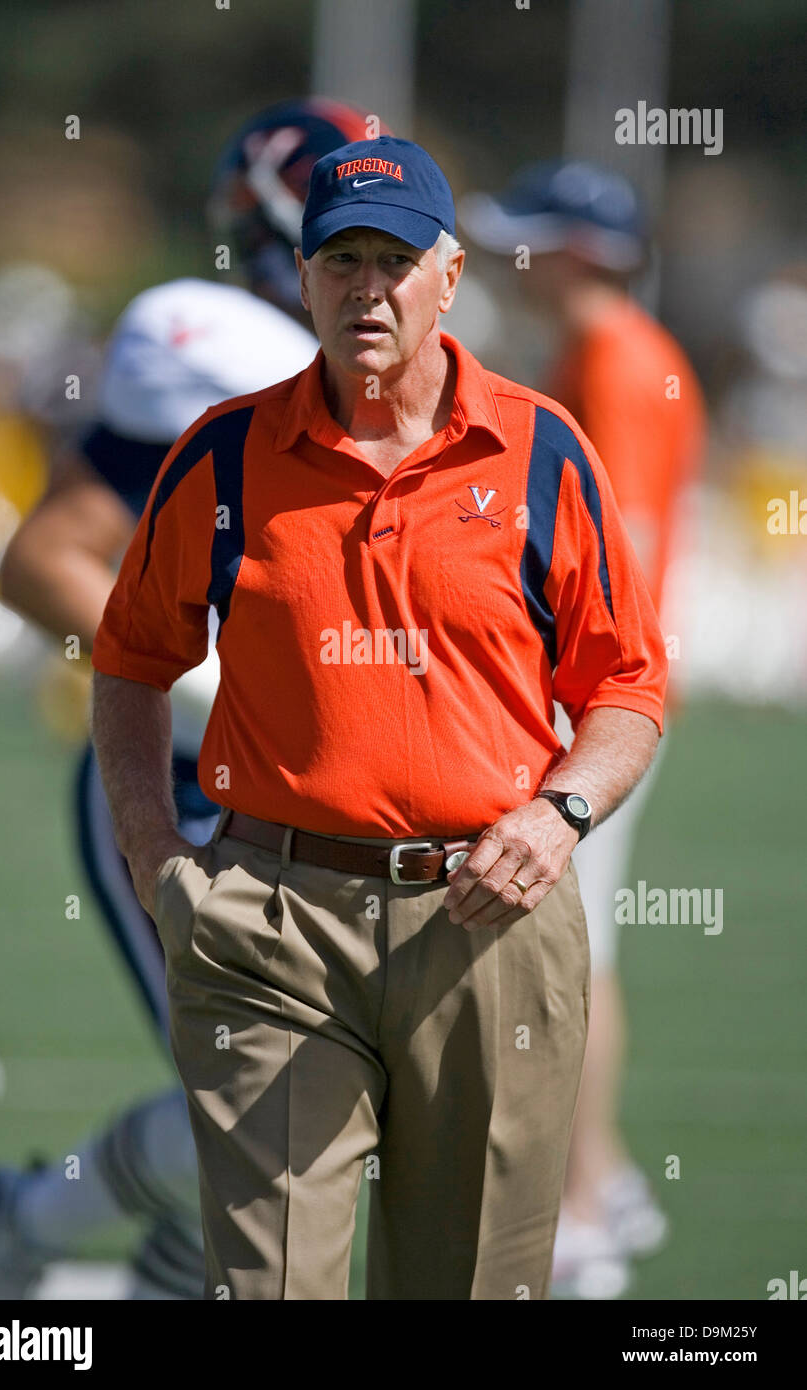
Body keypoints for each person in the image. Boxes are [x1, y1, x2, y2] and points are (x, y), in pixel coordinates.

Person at [89, 134, 668, 1301]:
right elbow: (129, 661)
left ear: (447, 276)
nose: (366, 287)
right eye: (338, 258)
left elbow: (626, 686)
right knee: (268, 1288)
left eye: (393, 259)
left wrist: (557, 816)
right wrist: (157, 856)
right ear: (299, 278)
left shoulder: (543, 447)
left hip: (491, 920)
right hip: (272, 926)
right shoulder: (223, 454)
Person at [0, 99, 372, 1299]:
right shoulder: (207, 344)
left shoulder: (404, 371)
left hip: (346, 789)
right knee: (260, 1103)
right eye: (352, 240)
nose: (375, 270)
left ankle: (73, 1244)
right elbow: (40, 560)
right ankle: (26, 1229)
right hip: (191, 781)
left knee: (329, 1101)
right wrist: (204, 680)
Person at [461, 159, 706, 1297]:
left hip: (600, 700)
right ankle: (593, 1193)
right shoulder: (598, 355)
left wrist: (573, 713)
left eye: (533, 240)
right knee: (572, 943)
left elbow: (623, 557)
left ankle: (588, 1204)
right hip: (601, 692)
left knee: (572, 950)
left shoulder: (615, 362)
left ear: (583, 252)